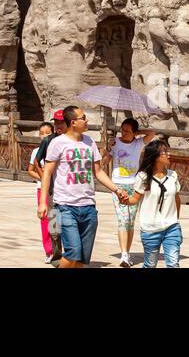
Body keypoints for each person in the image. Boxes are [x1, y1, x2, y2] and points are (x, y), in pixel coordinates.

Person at [38, 105, 123, 268]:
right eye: (83, 118)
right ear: (73, 122)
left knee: (81, 259)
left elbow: (98, 172)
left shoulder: (89, 142)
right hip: (65, 207)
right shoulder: (57, 143)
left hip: (89, 207)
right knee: (72, 252)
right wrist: (43, 203)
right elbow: (47, 173)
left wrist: (117, 190)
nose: (87, 120)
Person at [125, 139, 182, 267]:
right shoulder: (143, 177)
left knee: (173, 264)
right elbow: (134, 199)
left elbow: (177, 199)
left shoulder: (173, 175)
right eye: (164, 152)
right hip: (150, 229)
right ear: (155, 156)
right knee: (150, 264)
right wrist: (124, 199)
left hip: (171, 227)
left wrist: (175, 220)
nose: (169, 154)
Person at [109, 118, 155, 267]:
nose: (123, 133)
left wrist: (136, 133)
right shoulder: (115, 142)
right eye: (122, 130)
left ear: (134, 132)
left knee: (130, 221)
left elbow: (152, 133)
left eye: (127, 131)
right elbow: (105, 158)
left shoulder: (138, 143)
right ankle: (123, 254)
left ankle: (127, 252)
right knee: (123, 219)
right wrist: (107, 147)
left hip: (134, 185)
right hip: (118, 185)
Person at [28, 118, 59, 263]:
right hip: (43, 189)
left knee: (58, 220)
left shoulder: (59, 147)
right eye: (41, 133)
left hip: (59, 188)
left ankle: (59, 250)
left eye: (47, 133)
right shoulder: (36, 152)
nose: (44, 136)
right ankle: (49, 251)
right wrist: (43, 179)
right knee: (46, 221)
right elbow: (30, 170)